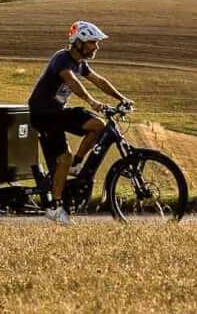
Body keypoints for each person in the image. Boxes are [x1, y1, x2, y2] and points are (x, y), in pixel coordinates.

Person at [27, 20, 130, 224]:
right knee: (63, 157)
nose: (96, 47)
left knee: (97, 125)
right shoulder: (62, 59)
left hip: (57, 113)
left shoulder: (79, 62)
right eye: (93, 42)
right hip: (43, 115)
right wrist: (92, 101)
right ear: (79, 42)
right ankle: (56, 208)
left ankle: (76, 165)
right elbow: (72, 82)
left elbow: (99, 81)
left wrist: (122, 98)